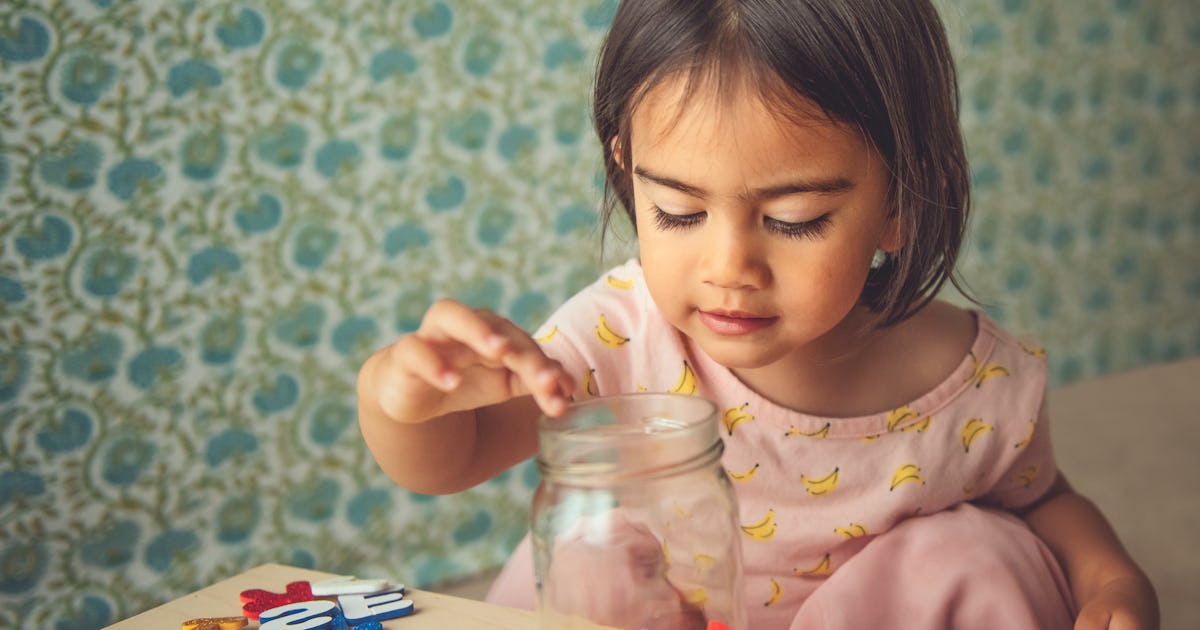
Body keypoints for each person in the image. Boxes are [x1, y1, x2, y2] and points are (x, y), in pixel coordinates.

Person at [357, 0, 1159, 627]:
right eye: (677, 211)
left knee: (977, 553)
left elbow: (1044, 499)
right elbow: (451, 456)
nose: (729, 269)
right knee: (587, 548)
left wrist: (1113, 578)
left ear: (900, 201)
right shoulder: (621, 340)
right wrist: (405, 396)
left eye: (795, 219)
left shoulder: (976, 386)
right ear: (626, 170)